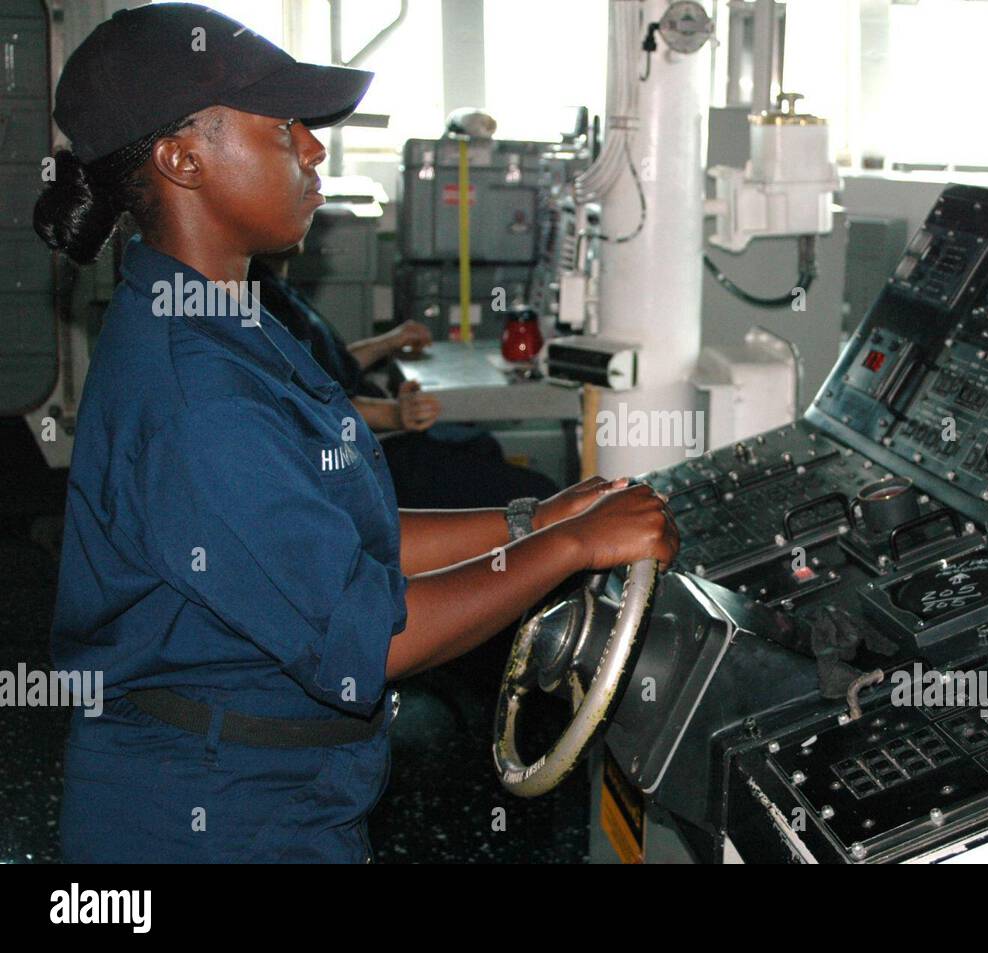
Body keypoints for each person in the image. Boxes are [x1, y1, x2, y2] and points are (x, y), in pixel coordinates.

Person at [37, 3, 677, 863]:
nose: (313, 148)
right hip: (214, 815)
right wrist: (568, 553)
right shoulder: (197, 398)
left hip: (280, 789)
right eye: (283, 127)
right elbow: (371, 641)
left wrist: (540, 518)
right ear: (181, 158)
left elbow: (352, 542)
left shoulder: (227, 323)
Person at [247, 249, 560, 508]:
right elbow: (304, 400)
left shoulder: (276, 286)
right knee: (539, 493)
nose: (314, 192)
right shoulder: (256, 298)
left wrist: (389, 341)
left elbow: (327, 368)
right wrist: (394, 413)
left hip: (380, 438)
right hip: (366, 456)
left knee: (482, 444)